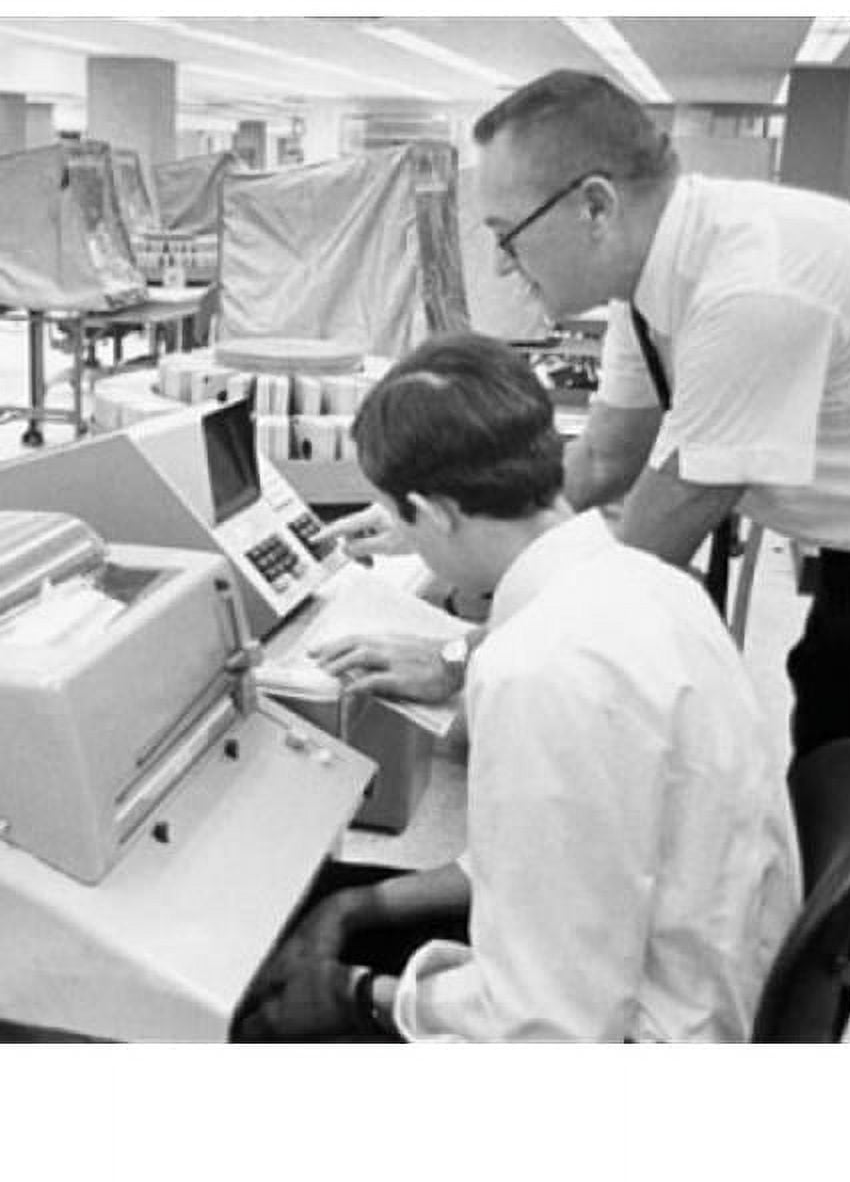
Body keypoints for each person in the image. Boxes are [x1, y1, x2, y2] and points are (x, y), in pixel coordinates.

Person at [236, 333, 800, 1041]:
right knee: (332, 896)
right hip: (700, 976)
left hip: (647, 1036)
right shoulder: (658, 587)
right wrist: (363, 905)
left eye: (400, 518)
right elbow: (560, 855)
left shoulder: (536, 670)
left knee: (252, 1021)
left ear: (435, 513)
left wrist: (356, 994)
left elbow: (549, 1024)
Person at [331, 69, 850, 758]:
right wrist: (434, 517)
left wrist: (456, 657)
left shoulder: (753, 290)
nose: (502, 267)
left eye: (507, 236)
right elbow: (604, 459)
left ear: (595, 206)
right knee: (834, 707)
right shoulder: (650, 278)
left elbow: (632, 566)